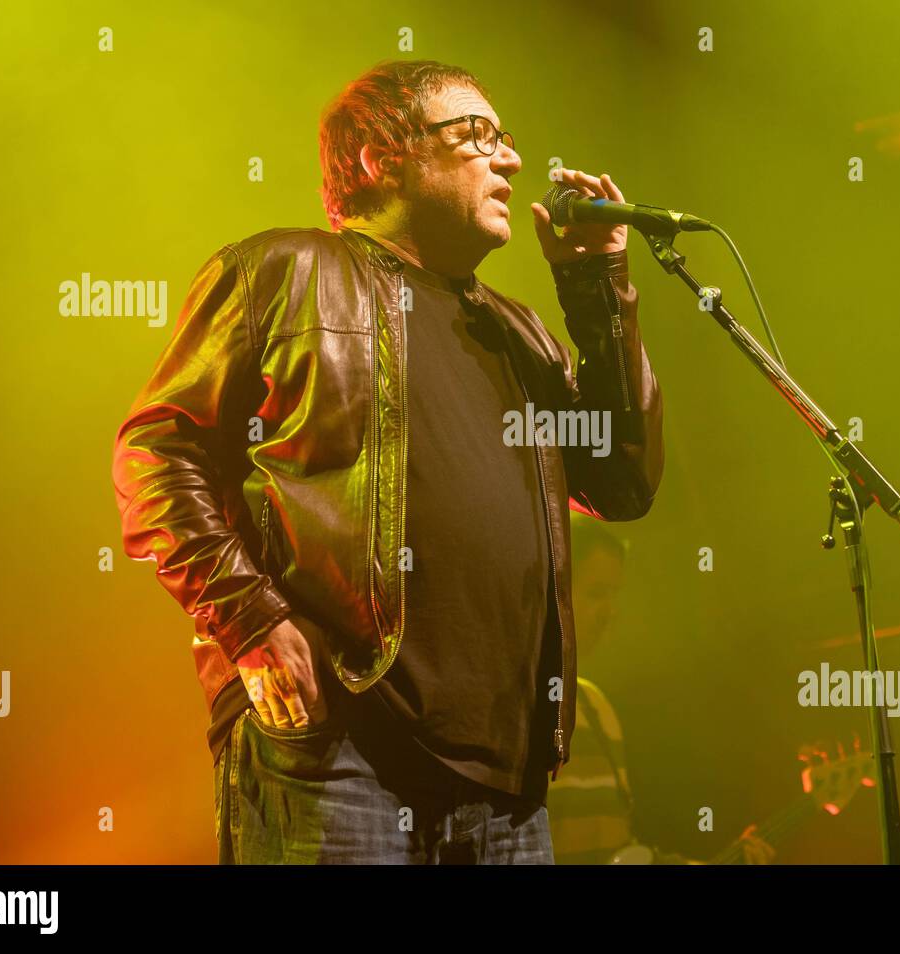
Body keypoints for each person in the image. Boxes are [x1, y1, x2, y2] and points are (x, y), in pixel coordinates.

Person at [110, 59, 664, 864]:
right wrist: (249, 619)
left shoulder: (519, 331)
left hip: (508, 785)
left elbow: (619, 481)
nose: (508, 160)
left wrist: (597, 286)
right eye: (476, 134)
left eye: (505, 139)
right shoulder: (285, 272)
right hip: (337, 748)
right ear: (382, 155)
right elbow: (156, 452)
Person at [548, 516, 775, 865]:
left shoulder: (597, 708)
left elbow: (620, 854)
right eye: (596, 593)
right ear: (554, 587)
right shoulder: (510, 705)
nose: (610, 611)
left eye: (614, 594)